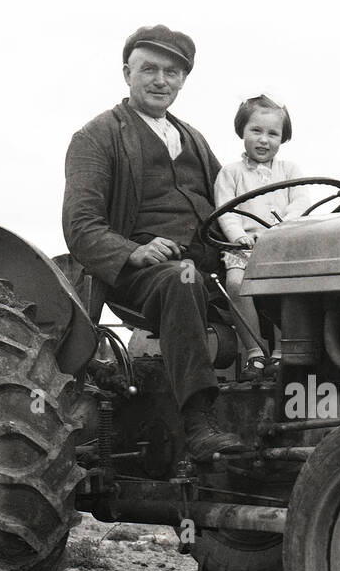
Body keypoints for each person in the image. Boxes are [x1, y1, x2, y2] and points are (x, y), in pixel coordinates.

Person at [62, 24, 246, 461]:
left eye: (172, 72)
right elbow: (80, 225)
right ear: (127, 73)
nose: (160, 80)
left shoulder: (195, 140)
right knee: (182, 278)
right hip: (140, 276)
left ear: (184, 80)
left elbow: (229, 206)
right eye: (149, 69)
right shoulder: (97, 136)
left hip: (209, 266)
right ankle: (197, 424)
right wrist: (133, 251)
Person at [214, 95, 309, 376]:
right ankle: (254, 350)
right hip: (244, 247)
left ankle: (283, 350)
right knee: (235, 283)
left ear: (283, 138)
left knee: (290, 285)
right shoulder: (230, 173)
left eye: (272, 133)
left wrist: (284, 227)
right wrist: (237, 235)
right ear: (242, 131)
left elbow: (301, 201)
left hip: (281, 245)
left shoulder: (289, 170)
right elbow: (225, 209)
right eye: (256, 131)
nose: (263, 140)